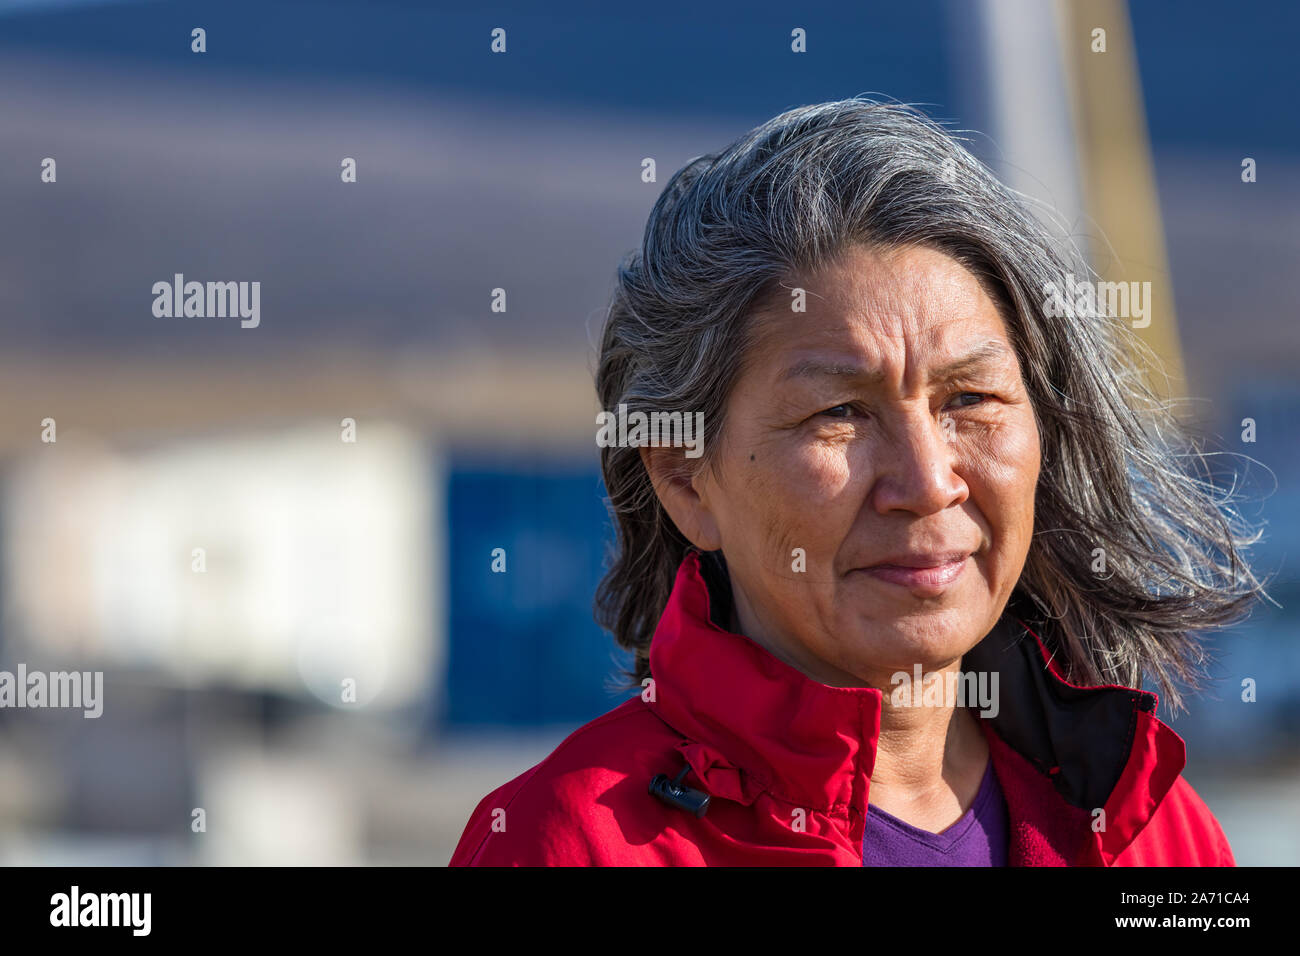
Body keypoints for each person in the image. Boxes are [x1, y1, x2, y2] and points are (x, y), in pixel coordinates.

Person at [449, 98, 1266, 866]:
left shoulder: (1147, 831)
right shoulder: (572, 842)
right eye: (838, 413)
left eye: (971, 400)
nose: (925, 481)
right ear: (685, 480)